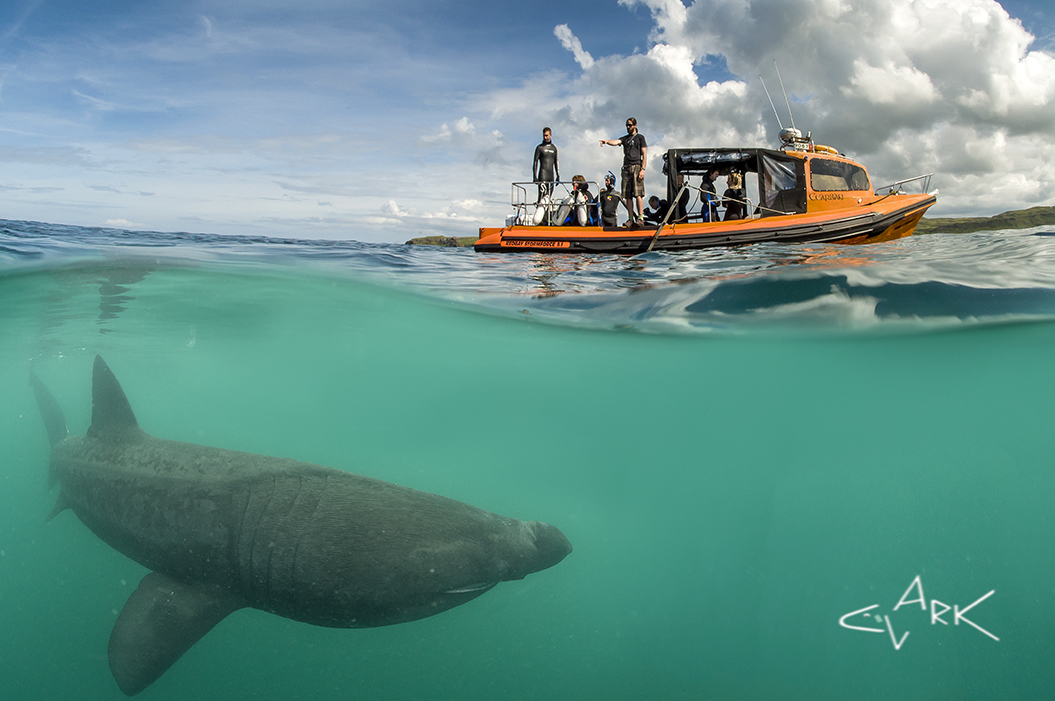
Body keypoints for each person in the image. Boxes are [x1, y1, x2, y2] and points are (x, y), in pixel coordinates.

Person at [599, 117, 647, 226]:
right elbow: (616, 142)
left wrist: (643, 169)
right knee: (628, 195)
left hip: (637, 166)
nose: (628, 127)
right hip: (626, 168)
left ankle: (640, 217)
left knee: (638, 194)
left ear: (635, 125)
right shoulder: (625, 138)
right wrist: (607, 141)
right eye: (627, 125)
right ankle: (630, 218)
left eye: (630, 125)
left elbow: (644, 154)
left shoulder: (640, 138)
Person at [532, 127, 560, 203]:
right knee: (542, 197)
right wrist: (535, 176)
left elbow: (556, 162)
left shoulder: (554, 148)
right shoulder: (539, 148)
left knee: (549, 197)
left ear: (550, 135)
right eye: (544, 135)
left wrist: (558, 175)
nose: (545, 137)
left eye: (546, 135)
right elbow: (535, 162)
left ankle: (548, 210)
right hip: (543, 175)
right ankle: (539, 207)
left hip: (551, 176)